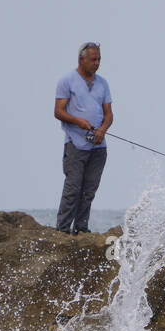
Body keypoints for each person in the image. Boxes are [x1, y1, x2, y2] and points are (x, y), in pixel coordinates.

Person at [54, 42, 112, 234]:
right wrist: (79, 122)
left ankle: (81, 228)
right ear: (82, 59)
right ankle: (62, 230)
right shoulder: (67, 81)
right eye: (93, 60)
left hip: (98, 147)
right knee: (73, 189)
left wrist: (102, 129)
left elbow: (109, 114)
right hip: (76, 144)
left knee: (89, 191)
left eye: (99, 59)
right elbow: (58, 112)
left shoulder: (103, 83)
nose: (97, 63)